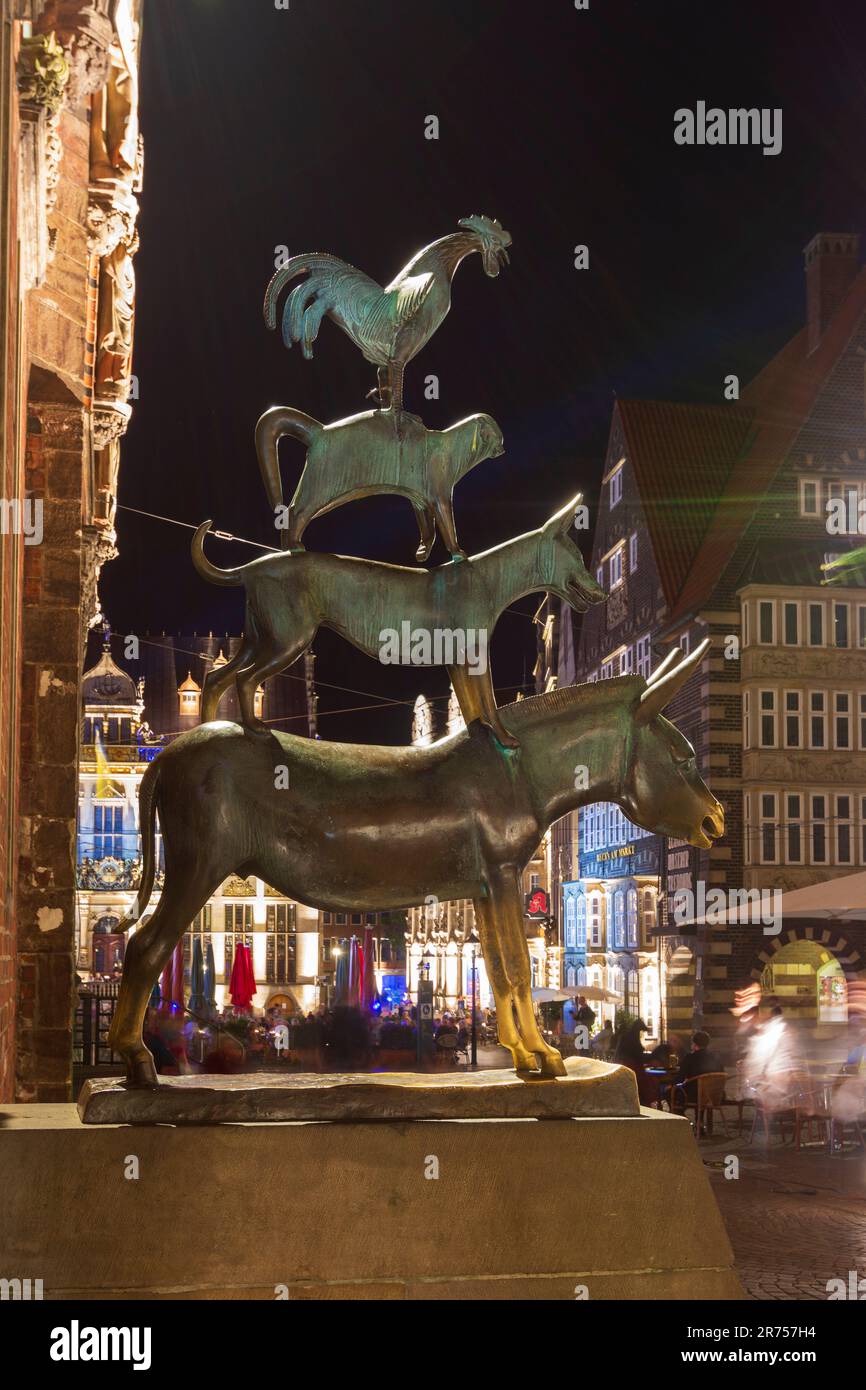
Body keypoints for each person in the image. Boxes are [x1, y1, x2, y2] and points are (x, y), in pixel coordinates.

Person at [615, 1018, 655, 1104]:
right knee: (645, 1082)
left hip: (627, 1064)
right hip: (633, 1066)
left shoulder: (627, 1036)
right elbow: (637, 1053)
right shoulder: (632, 1037)